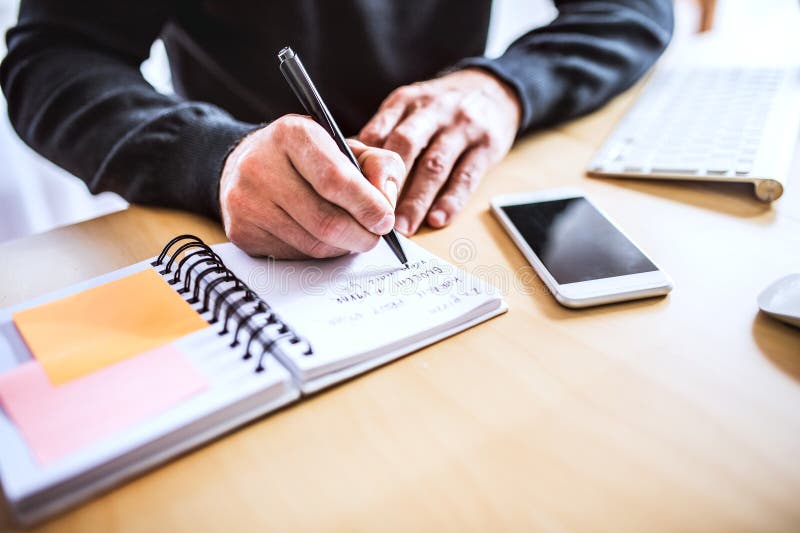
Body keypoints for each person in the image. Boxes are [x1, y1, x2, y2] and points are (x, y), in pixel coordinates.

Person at [0, 1, 672, 259]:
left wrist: (503, 88)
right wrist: (215, 156)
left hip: (457, 211)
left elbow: (634, 6)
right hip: (237, 224)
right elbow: (50, 55)